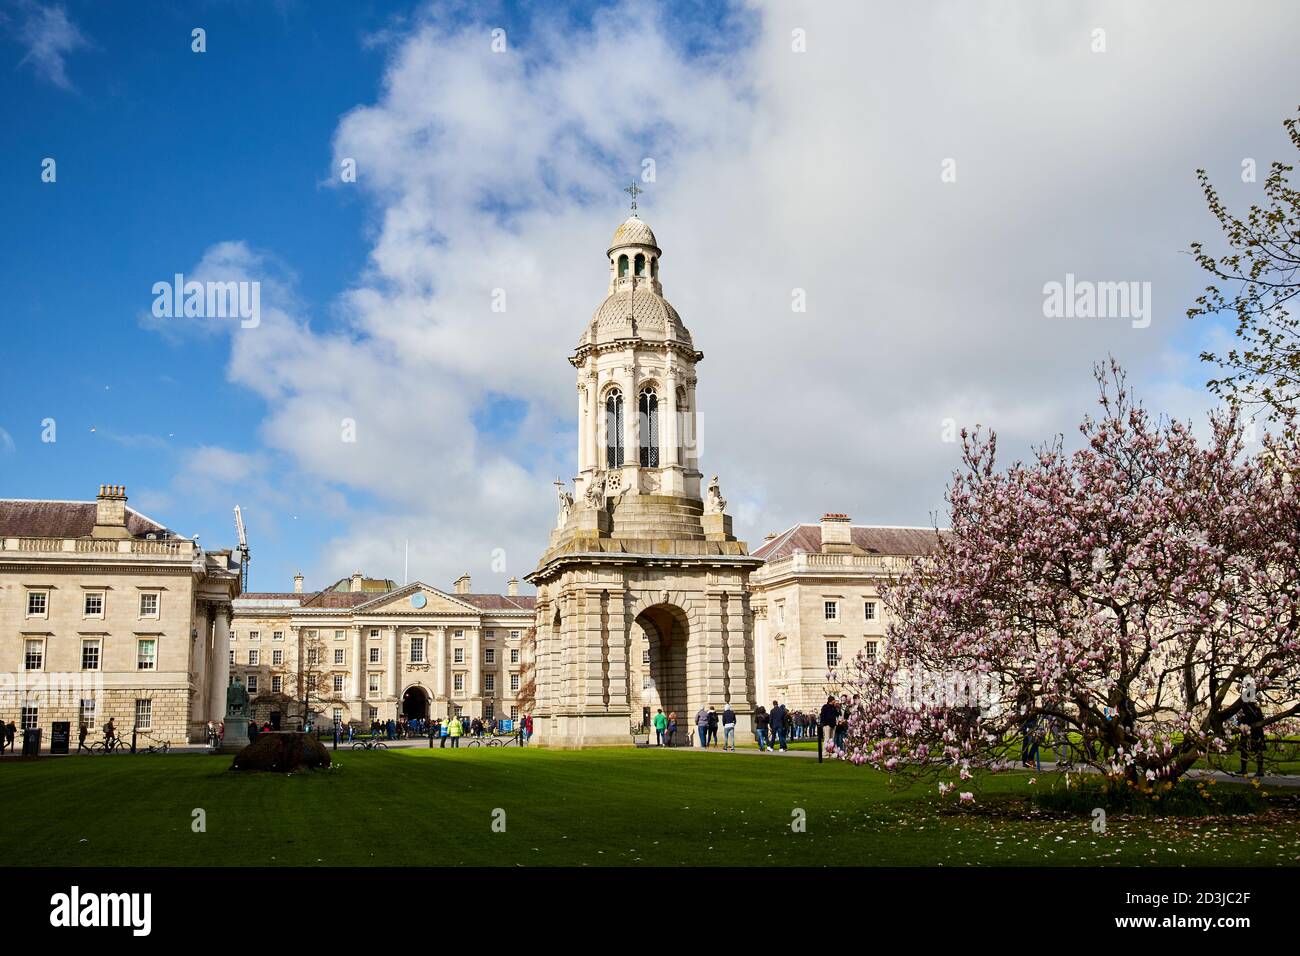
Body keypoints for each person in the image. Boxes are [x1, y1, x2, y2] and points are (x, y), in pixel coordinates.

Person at [1238, 700, 1266, 777]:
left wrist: (1241, 721)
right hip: (1250, 730)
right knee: (1245, 750)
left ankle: (1258, 770)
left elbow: (1245, 719)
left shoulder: (1250, 708)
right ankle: (1244, 769)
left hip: (1253, 731)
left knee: (1257, 750)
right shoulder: (1254, 708)